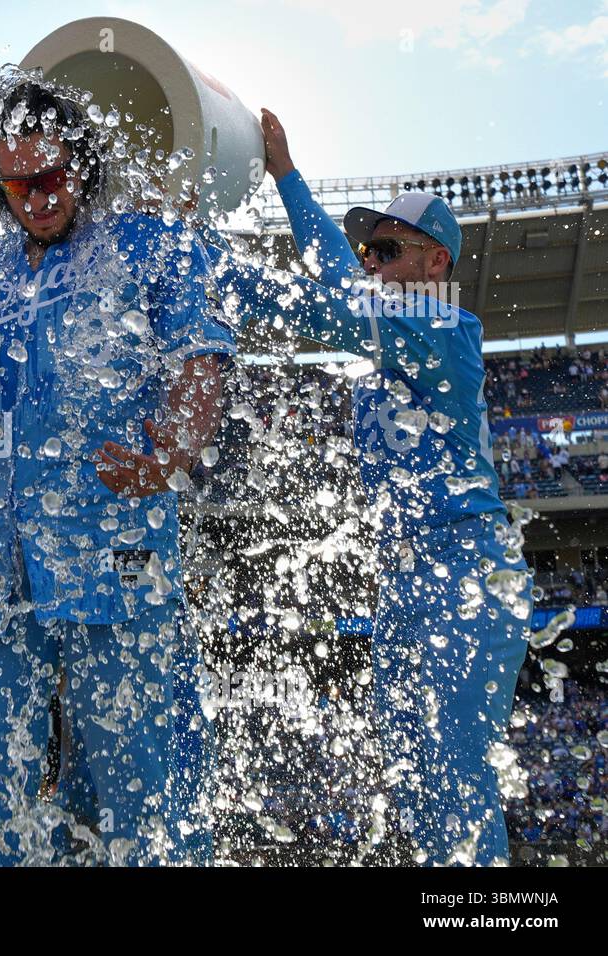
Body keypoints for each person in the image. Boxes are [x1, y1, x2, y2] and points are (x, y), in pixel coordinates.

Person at [0, 80, 234, 865]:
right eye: (18, 185)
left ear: (82, 165)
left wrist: (174, 450)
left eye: (51, 178)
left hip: (118, 546)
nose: (38, 199)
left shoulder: (150, 244)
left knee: (131, 794)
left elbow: (199, 358)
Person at [242, 108, 533, 865]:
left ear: (437, 263)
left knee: (452, 770)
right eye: (368, 248)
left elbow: (331, 302)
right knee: (414, 776)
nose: (369, 260)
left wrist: (213, 270)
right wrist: (287, 177)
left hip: (465, 567)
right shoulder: (389, 320)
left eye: (387, 249)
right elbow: (341, 282)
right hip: (409, 569)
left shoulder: (442, 328)